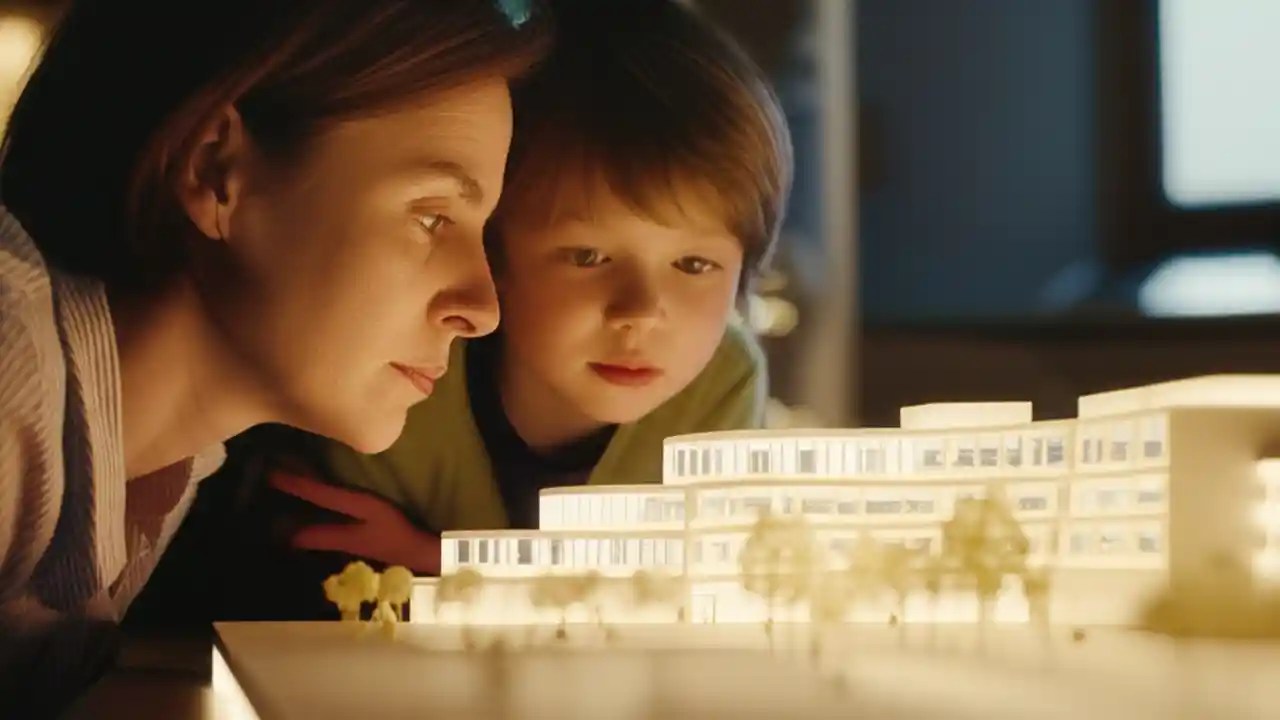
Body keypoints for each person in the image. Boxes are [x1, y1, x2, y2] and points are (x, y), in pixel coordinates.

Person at [0, 0, 547, 712]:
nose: (482, 307)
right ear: (217, 171)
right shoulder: (11, 373)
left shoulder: (162, 468)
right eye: (432, 216)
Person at [267, 0, 793, 576]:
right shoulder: (408, 372)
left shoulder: (721, 384)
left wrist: (441, 559)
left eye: (694, 264)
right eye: (588, 256)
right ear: (492, 250)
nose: (640, 312)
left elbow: (693, 577)